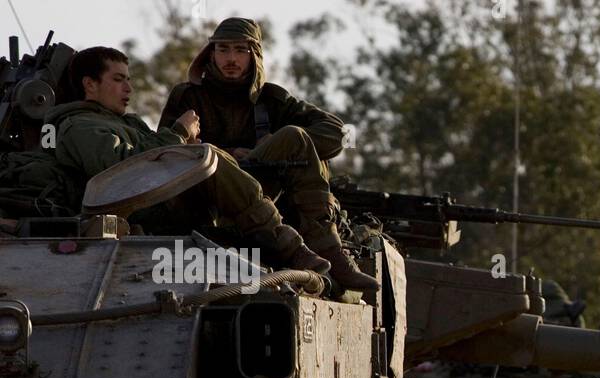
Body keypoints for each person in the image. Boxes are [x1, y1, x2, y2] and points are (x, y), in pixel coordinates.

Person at [47, 46, 328, 275]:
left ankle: (320, 248)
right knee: (208, 157)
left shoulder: (124, 122)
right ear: (90, 85)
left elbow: (151, 153)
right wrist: (179, 135)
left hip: (169, 201)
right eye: (118, 80)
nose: (128, 89)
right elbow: (123, 170)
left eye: (129, 79)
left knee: (291, 141)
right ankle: (287, 246)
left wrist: (185, 147)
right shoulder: (80, 126)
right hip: (143, 210)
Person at [159, 18, 378, 294]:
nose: (231, 59)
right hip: (205, 196)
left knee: (295, 137)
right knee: (207, 156)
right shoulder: (187, 97)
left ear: (255, 56)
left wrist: (271, 144)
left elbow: (339, 133)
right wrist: (224, 155)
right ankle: (292, 247)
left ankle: (331, 253)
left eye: (240, 50)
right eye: (223, 49)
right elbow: (162, 153)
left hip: (264, 188)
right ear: (210, 54)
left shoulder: (272, 100)